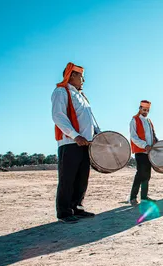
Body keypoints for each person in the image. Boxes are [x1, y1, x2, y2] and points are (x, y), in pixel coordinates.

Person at [52, 62, 99, 223]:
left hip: (86, 143)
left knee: (82, 177)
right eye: (81, 77)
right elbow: (58, 116)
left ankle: (77, 207)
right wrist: (75, 135)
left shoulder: (81, 96)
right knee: (68, 178)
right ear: (72, 75)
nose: (83, 81)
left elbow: (90, 120)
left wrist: (98, 134)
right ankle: (64, 212)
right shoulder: (61, 91)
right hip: (70, 143)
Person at [129, 100, 157, 206]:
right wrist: (145, 145)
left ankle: (144, 197)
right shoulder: (134, 120)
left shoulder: (149, 121)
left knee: (147, 175)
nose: (146, 112)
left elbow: (153, 135)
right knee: (140, 174)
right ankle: (133, 197)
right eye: (144, 110)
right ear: (140, 109)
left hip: (149, 152)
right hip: (141, 151)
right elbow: (133, 137)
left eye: (147, 110)